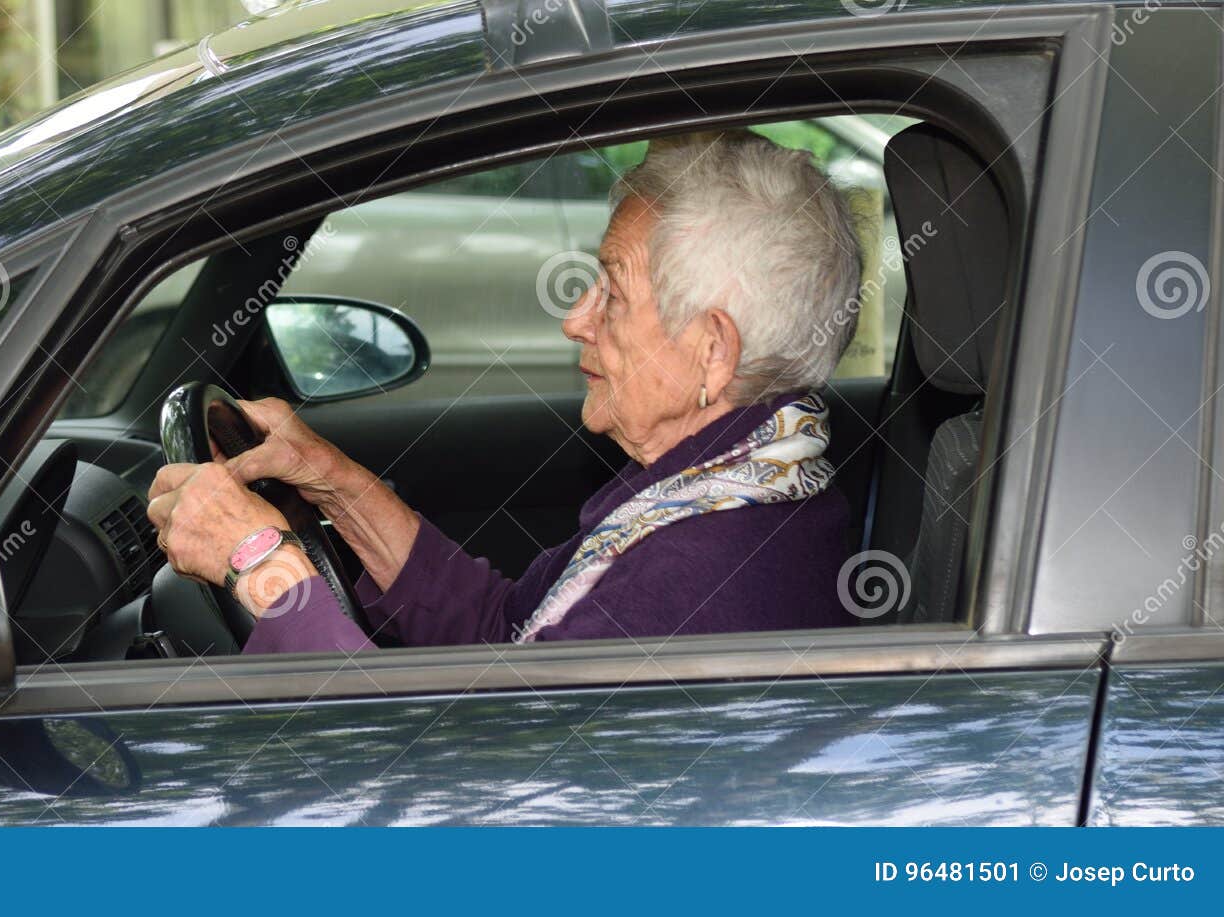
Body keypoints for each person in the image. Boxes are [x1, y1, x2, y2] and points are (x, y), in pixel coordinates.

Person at [147, 130, 863, 653]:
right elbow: (504, 628)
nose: (574, 318)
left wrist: (261, 564)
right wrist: (330, 480)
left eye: (610, 292)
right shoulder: (726, 488)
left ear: (711, 351)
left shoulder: (686, 585)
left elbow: (429, 790)